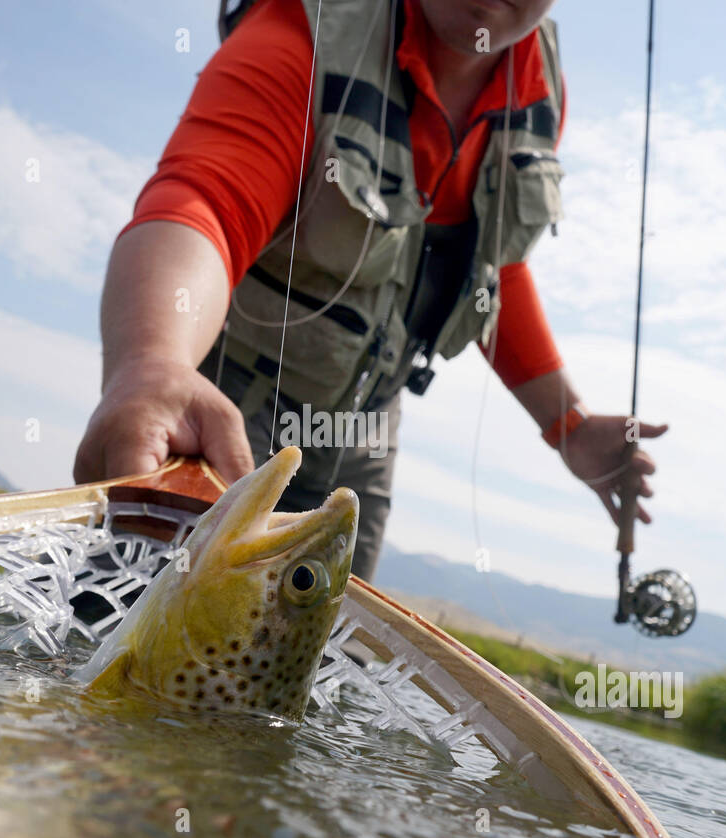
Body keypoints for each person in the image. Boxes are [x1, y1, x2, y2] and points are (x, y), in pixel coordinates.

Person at [74, 0, 665, 582]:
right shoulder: (306, 29)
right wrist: (152, 362)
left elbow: (491, 268)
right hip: (220, 419)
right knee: (129, 618)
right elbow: (206, 202)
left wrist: (569, 425)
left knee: (318, 659)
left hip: (364, 437)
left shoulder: (538, 88)